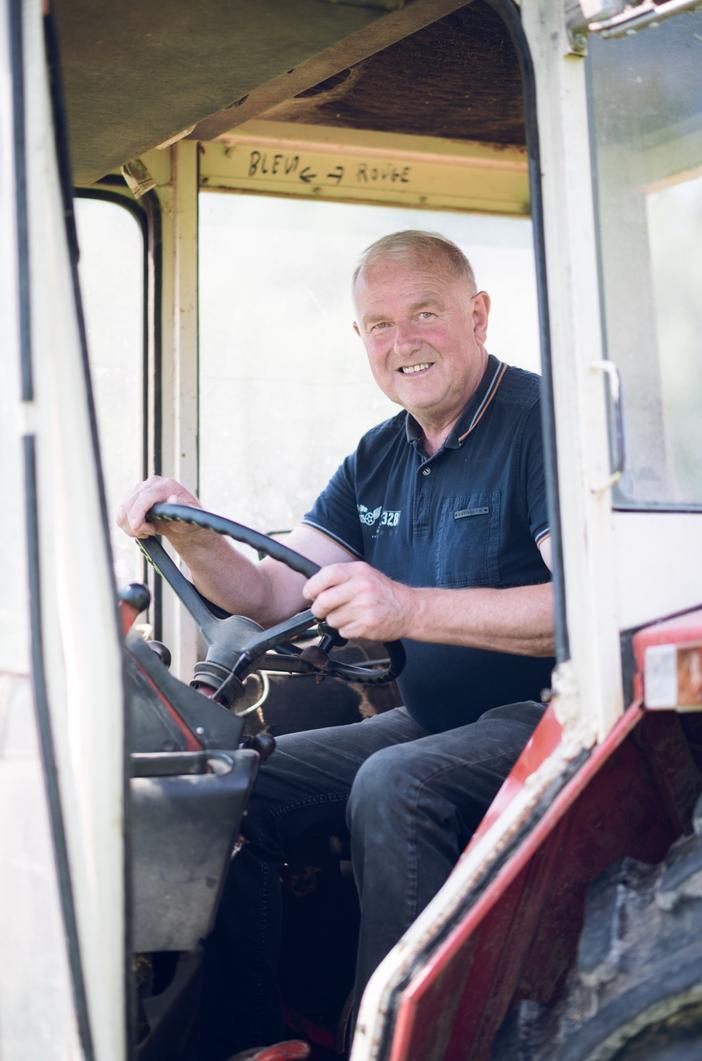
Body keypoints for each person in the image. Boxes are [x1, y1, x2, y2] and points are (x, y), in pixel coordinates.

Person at [117, 231, 554, 1059]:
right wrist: (188, 530)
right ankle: (251, 1041)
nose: (403, 341)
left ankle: (384, 1043)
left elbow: (587, 604)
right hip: (431, 714)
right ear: (361, 339)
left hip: (556, 720)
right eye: (379, 324)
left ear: (478, 314)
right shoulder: (379, 454)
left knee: (395, 783)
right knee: (236, 779)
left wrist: (407, 606)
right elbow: (277, 591)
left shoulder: (543, 428)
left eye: (424, 313)